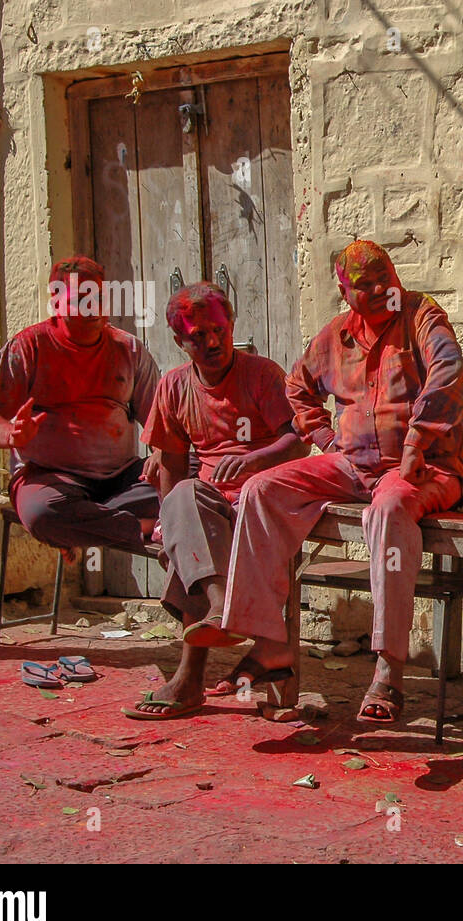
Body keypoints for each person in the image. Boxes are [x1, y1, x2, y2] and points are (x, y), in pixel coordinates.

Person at [203, 240, 463, 722]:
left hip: (426, 466)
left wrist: (416, 441)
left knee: (388, 510)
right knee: (260, 491)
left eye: (384, 277)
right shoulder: (335, 337)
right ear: (344, 291)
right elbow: (297, 387)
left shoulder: (422, 315)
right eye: (364, 284)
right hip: (353, 466)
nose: (378, 289)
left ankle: (388, 672)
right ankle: (270, 646)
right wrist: (327, 440)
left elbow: (449, 374)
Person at [122, 282, 306, 720]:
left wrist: (253, 459)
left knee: (202, 544)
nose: (210, 342)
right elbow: (170, 463)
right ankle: (222, 606)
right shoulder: (173, 387)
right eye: (196, 335)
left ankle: (190, 675)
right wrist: (169, 519)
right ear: (179, 341)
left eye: (217, 329)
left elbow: (297, 442)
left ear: (232, 325)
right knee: (183, 508)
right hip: (207, 502)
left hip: (262, 498)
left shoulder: (263, 375)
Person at [0, 256, 160, 558]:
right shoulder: (27, 347)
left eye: (98, 297)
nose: (93, 307)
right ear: (57, 302)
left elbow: (158, 421)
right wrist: (10, 434)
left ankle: (81, 524)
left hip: (122, 479)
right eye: (81, 299)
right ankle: (143, 527)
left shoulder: (130, 350)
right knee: (42, 514)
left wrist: (162, 453)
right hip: (50, 479)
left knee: (194, 475)